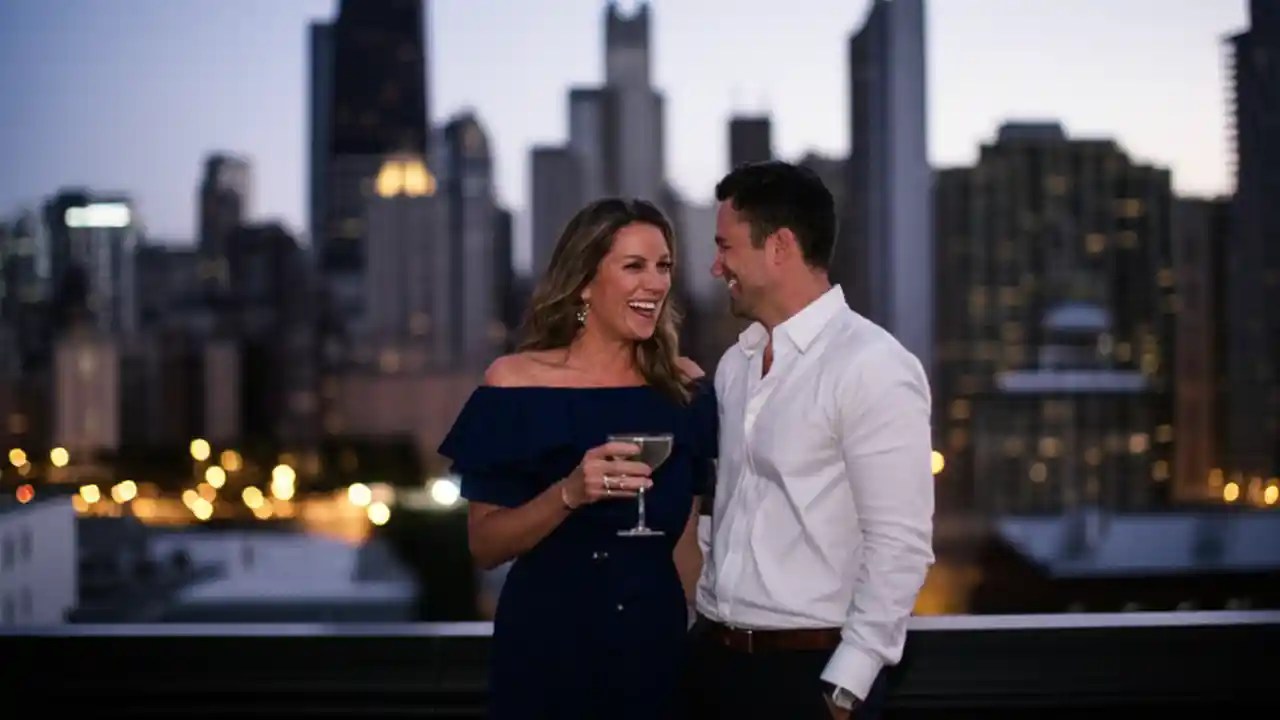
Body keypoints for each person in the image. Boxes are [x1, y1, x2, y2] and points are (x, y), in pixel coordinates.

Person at [438, 197, 717, 719]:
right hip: (549, 652)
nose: (654, 284)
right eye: (634, 266)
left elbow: (685, 545)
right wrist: (568, 494)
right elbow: (485, 545)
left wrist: (707, 640)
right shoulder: (515, 384)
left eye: (663, 267)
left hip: (654, 654)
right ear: (585, 282)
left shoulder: (686, 389)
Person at [685, 161, 936, 719]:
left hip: (807, 679)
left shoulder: (872, 365)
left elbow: (900, 545)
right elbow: (721, 510)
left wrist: (845, 688)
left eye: (726, 247)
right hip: (714, 666)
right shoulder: (735, 364)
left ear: (779, 247)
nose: (714, 265)